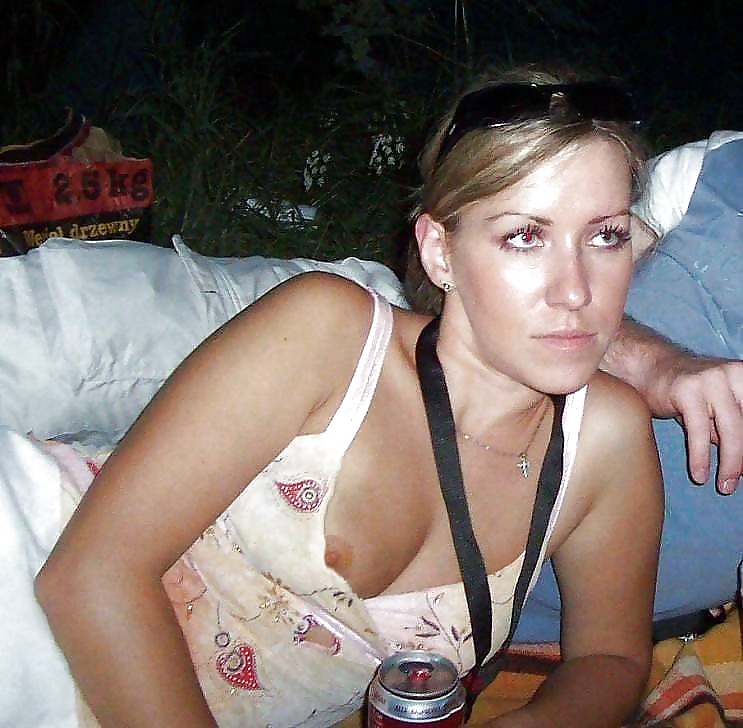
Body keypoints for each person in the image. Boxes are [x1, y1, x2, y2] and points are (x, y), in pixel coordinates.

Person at [33, 67, 662, 727]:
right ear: (440, 253)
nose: (575, 290)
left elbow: (611, 659)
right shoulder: (330, 337)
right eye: (524, 237)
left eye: (605, 236)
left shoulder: (605, 439)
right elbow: (91, 573)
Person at [515, 131, 743, 644]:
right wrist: (654, 365)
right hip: (445, 474)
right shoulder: (716, 172)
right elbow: (517, 282)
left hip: (568, 632)